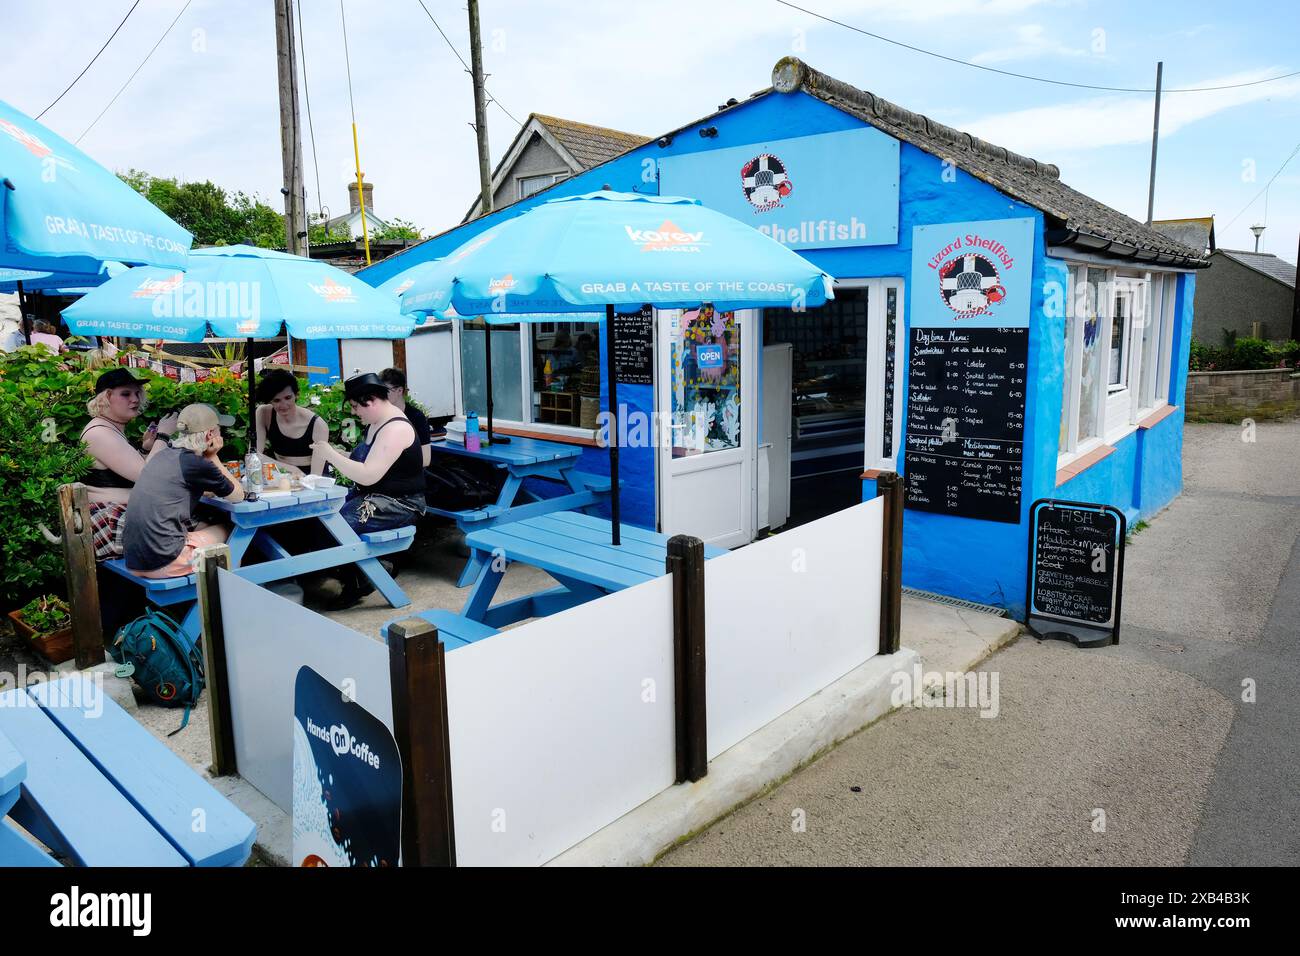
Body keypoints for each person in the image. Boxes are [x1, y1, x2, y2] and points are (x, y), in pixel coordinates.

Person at [311, 372, 425, 609]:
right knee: (322, 515)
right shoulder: (377, 422)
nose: (354, 412)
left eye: (355, 406)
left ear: (371, 400)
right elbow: (364, 463)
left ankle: (360, 579)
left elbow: (368, 473)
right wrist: (336, 454)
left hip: (401, 503)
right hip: (373, 495)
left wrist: (330, 454)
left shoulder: (395, 429)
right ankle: (358, 574)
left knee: (339, 523)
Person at [122, 404, 244, 579]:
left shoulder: (163, 455)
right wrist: (213, 456)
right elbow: (238, 495)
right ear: (210, 435)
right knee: (233, 530)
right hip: (165, 562)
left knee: (208, 526)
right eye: (219, 430)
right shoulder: (198, 463)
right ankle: (230, 592)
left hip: (135, 561)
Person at [80, 368, 179, 559]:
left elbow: (126, 473)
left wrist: (146, 449)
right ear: (106, 398)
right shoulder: (99, 433)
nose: (135, 399)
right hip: (112, 523)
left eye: (136, 393)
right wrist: (164, 436)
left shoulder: (107, 428)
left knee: (203, 523)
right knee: (213, 529)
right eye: (126, 394)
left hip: (124, 517)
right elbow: (148, 476)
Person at [254, 368, 328, 476]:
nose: (283, 405)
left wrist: (298, 475)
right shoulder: (264, 413)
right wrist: (292, 469)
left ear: (296, 395)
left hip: (311, 476)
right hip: (278, 474)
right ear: (270, 400)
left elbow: (316, 477)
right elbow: (254, 456)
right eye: (276, 400)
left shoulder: (318, 425)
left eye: (288, 398)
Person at [379, 367, 432, 467]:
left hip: (408, 477)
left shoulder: (417, 417)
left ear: (399, 390)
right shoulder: (379, 417)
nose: (381, 395)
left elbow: (425, 460)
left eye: (385, 390)